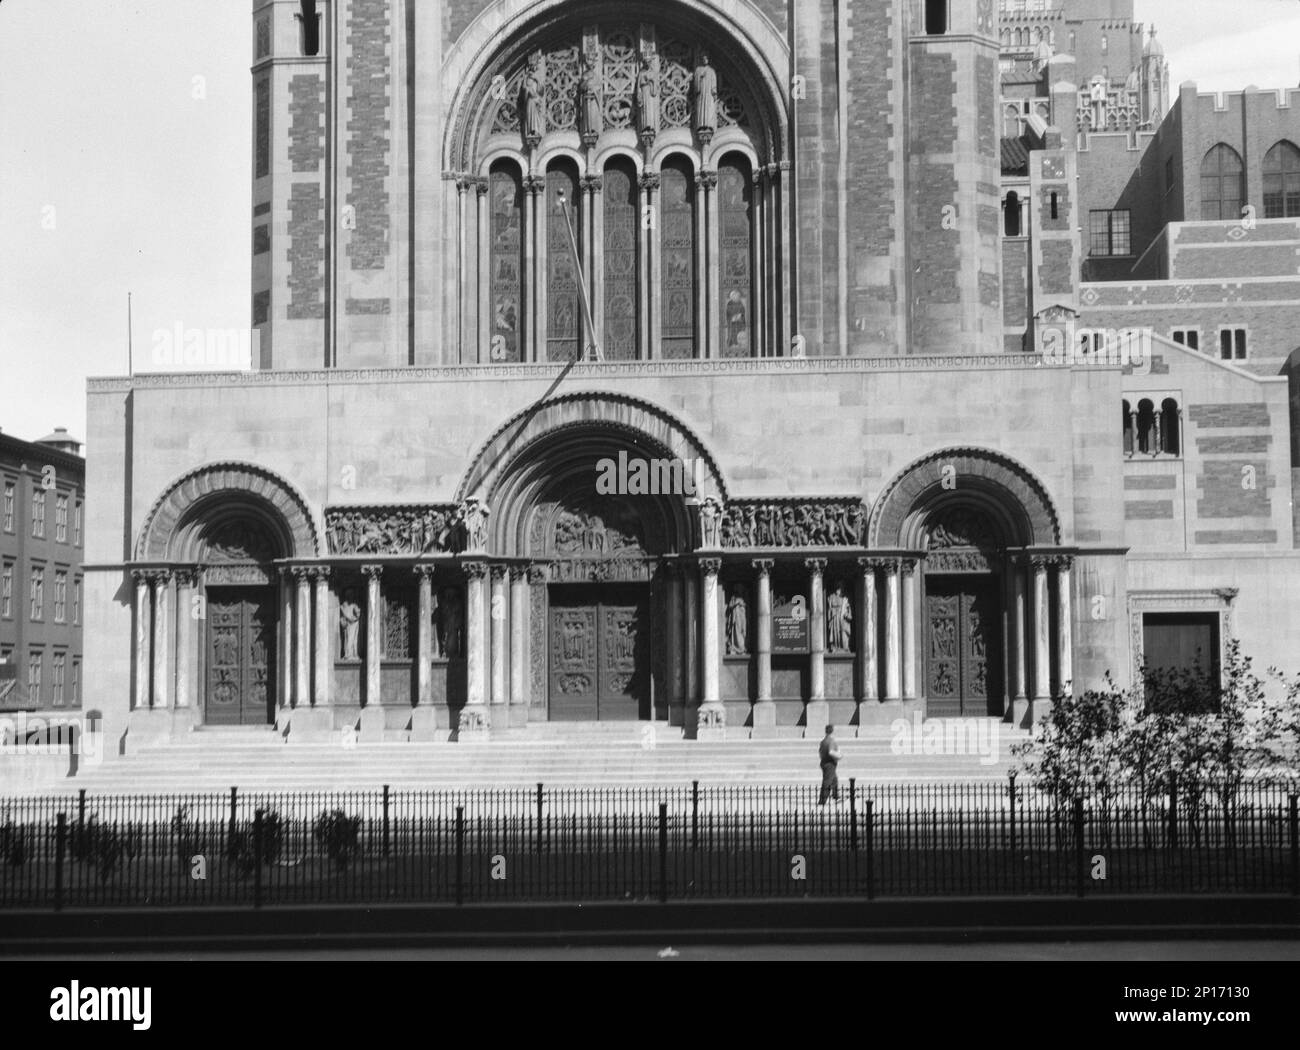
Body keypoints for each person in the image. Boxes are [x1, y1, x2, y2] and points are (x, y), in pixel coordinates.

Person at [817, 724, 841, 806]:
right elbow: (831, 752)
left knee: (834, 779)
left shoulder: (823, 741)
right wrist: (839, 756)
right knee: (827, 781)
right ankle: (822, 800)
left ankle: (836, 796)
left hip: (824, 762)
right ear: (832, 731)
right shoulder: (831, 741)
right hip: (830, 763)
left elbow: (820, 752)